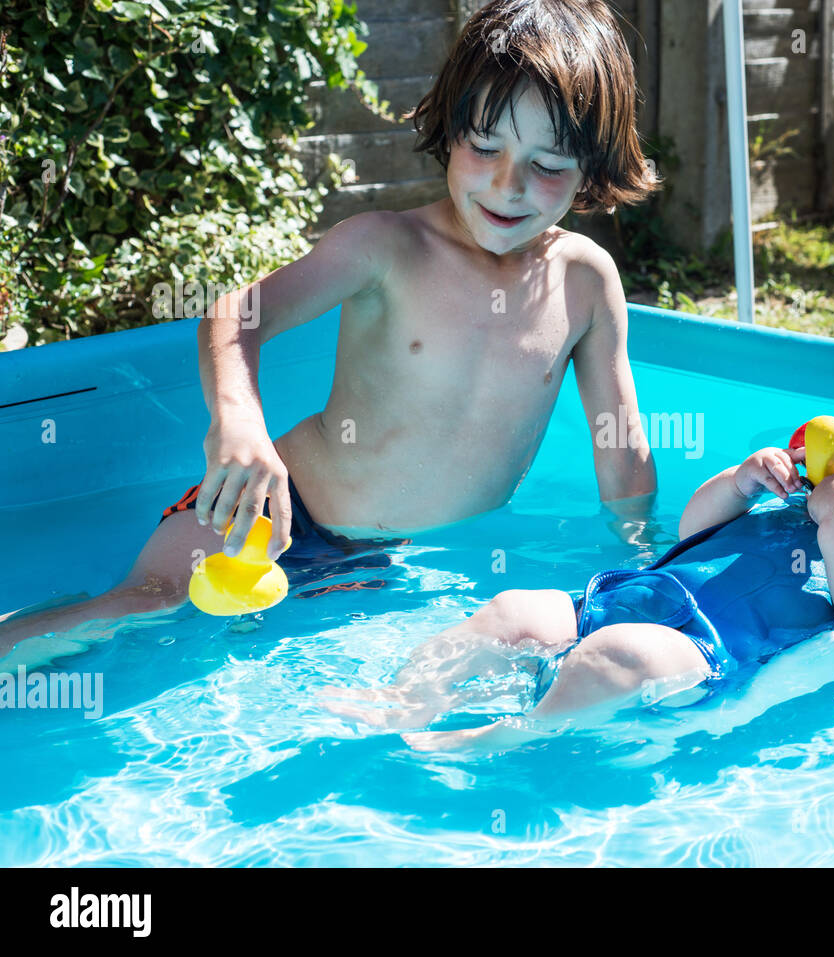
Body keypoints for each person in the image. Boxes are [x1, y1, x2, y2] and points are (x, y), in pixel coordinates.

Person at [0, 0, 660, 656]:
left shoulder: (586, 282)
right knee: (133, 610)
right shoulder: (386, 247)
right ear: (450, 131)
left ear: (592, 169)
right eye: (485, 146)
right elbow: (236, 313)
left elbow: (621, 447)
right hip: (268, 510)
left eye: (546, 166)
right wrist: (239, 425)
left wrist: (641, 563)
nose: (508, 185)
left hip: (389, 565)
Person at [323, 375, 834, 752]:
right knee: (513, 610)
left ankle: (505, 739)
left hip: (699, 652)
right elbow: (693, 529)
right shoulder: (791, 501)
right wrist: (742, 482)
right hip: (625, 594)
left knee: (617, 657)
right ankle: (406, 700)